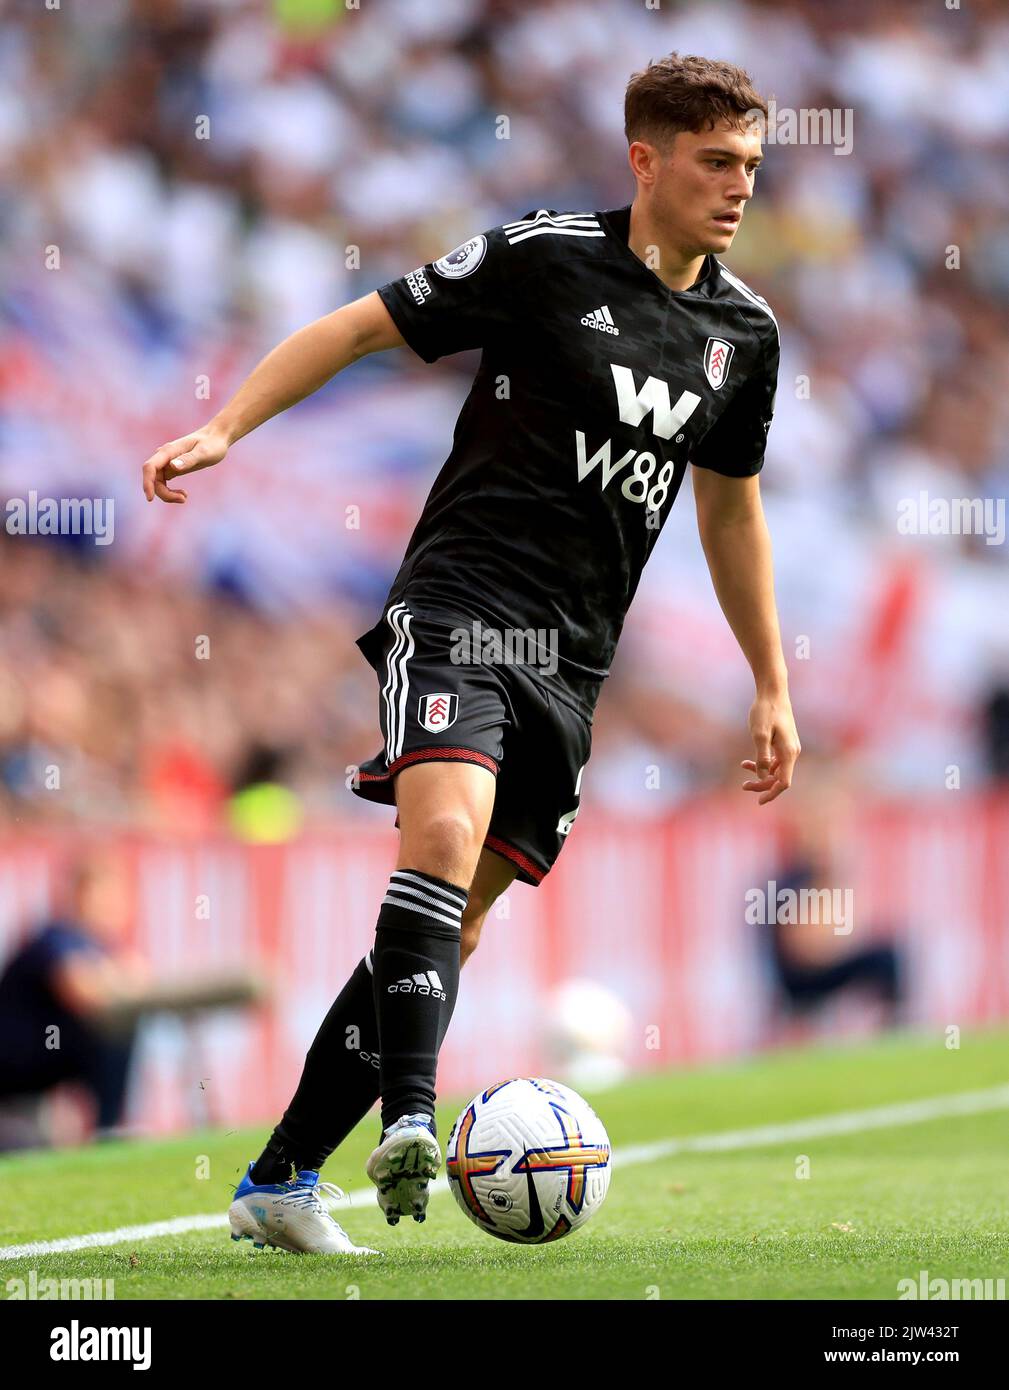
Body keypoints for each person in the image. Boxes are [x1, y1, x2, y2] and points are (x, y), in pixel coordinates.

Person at [142, 53, 801, 1254]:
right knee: (437, 837)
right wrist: (224, 426)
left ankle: (280, 1179)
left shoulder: (742, 335)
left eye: (751, 164)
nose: (738, 186)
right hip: (459, 605)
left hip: (572, 662)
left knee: (455, 920)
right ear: (644, 159)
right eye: (715, 162)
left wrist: (770, 680)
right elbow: (358, 327)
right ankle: (409, 1117)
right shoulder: (546, 256)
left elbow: (730, 510)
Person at [0, 852, 148, 1149]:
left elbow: (139, 977)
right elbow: (81, 991)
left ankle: (110, 1129)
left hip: (44, 1058)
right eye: (105, 894)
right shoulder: (58, 935)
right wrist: (115, 977)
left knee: (118, 1030)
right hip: (15, 1061)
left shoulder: (97, 946)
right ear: (81, 894)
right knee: (113, 1033)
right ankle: (108, 1132)